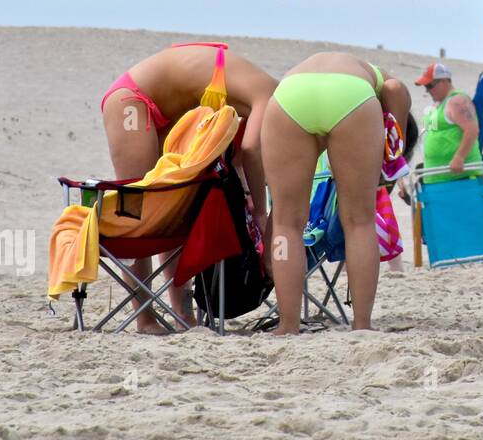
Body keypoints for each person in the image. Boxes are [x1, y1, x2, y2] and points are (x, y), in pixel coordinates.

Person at [99, 41, 276, 332]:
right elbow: (252, 149)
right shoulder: (271, 97)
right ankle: (143, 318)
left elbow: (241, 158)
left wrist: (247, 198)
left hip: (174, 111)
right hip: (133, 100)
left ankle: (184, 316)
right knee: (136, 209)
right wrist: (261, 210)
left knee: (175, 208)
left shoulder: (258, 97)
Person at [262, 52, 411, 333]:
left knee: (285, 223)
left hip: (291, 93)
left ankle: (288, 325)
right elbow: (396, 89)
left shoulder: (314, 63)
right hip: (351, 95)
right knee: (360, 222)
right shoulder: (377, 76)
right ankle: (362, 324)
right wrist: (395, 145)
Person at [414, 62, 482, 181]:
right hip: (436, 178)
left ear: (444, 81)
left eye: (429, 86)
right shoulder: (438, 104)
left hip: (459, 178)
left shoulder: (457, 101)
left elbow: (472, 130)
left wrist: (459, 157)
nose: (427, 91)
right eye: (426, 87)